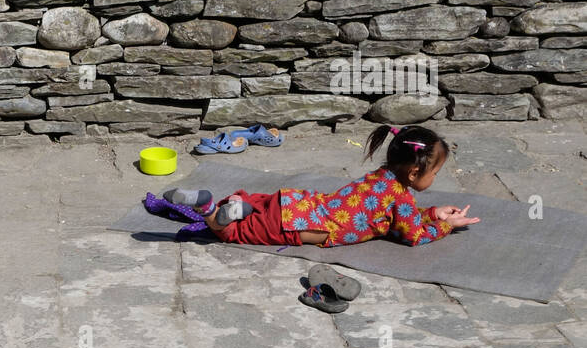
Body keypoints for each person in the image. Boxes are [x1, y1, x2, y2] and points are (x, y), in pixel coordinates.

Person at [166, 124, 480, 248]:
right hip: (302, 226)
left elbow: (401, 218)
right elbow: (411, 234)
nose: (434, 178)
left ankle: (238, 203)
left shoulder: (380, 179)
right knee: (232, 233)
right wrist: (445, 226)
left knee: (258, 206)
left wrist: (432, 213)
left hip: (297, 201)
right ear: (413, 173)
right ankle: (207, 208)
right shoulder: (401, 199)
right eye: (434, 172)